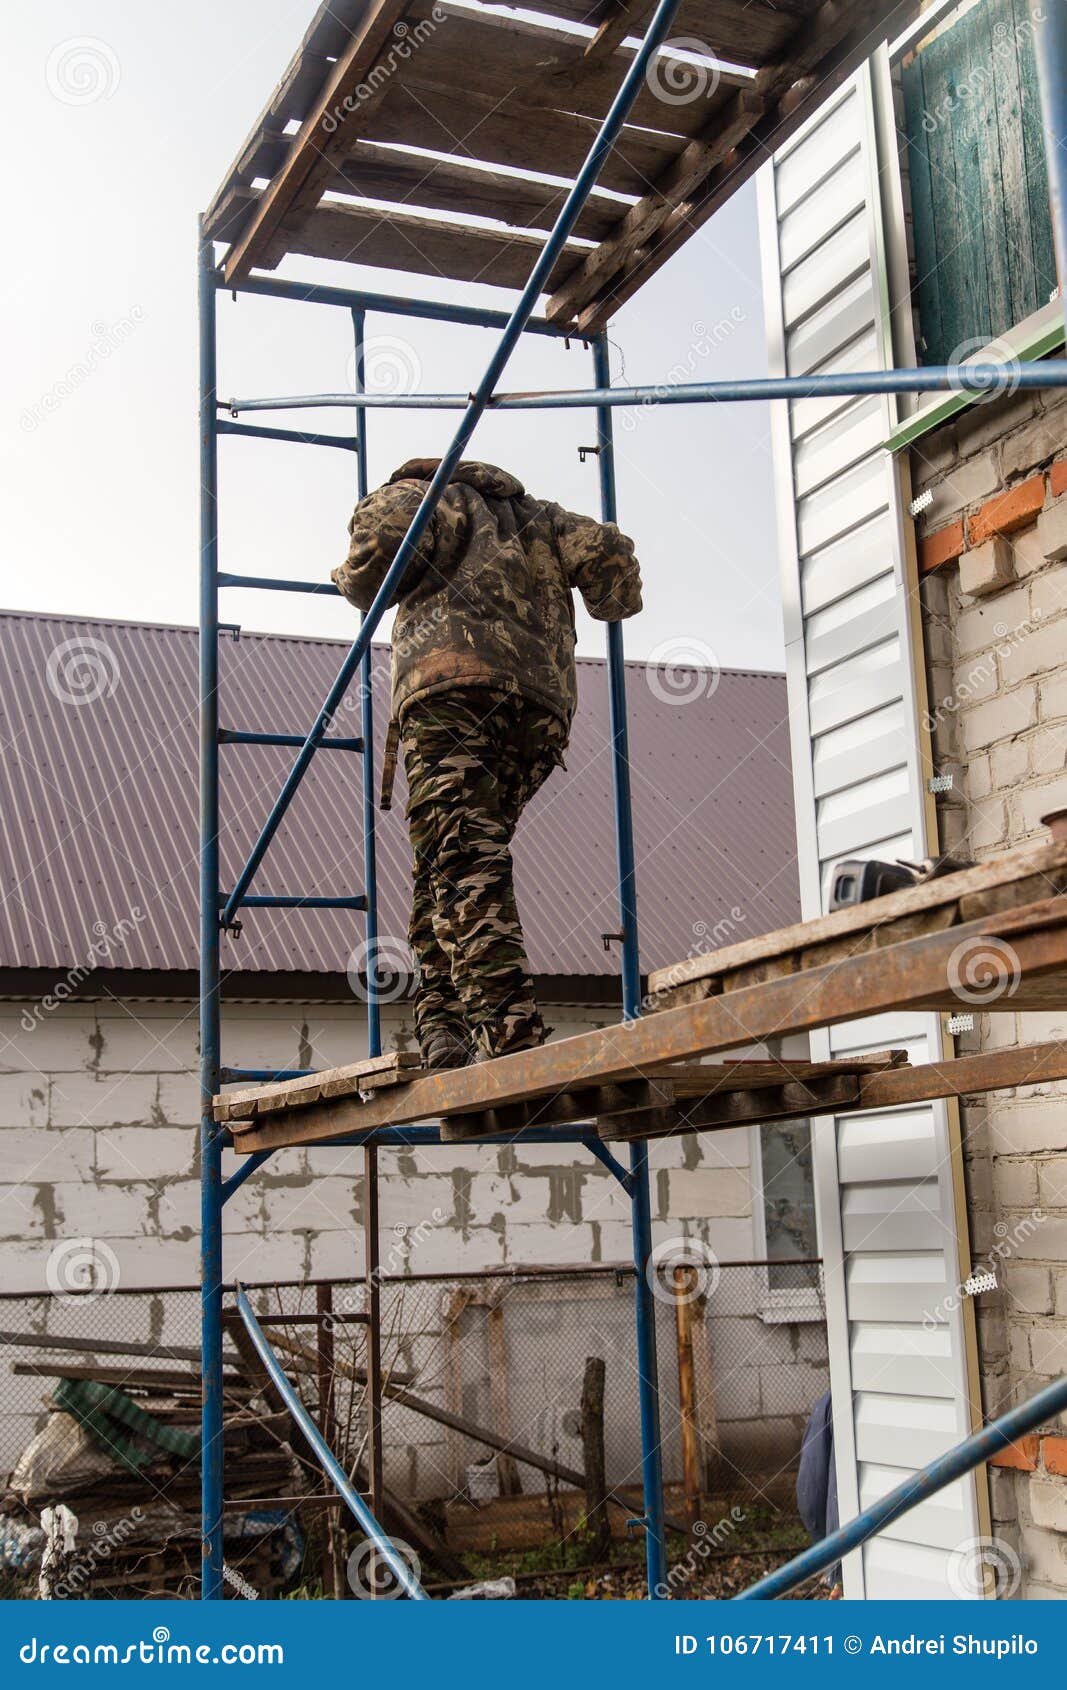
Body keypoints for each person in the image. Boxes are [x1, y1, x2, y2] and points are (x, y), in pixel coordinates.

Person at [333, 457, 642, 1070]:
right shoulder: (544, 518)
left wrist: (345, 575)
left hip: (452, 691)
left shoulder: (425, 495)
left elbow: (377, 558)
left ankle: (509, 1035)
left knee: (463, 860)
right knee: (448, 859)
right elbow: (612, 565)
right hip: (539, 710)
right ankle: (443, 1023)